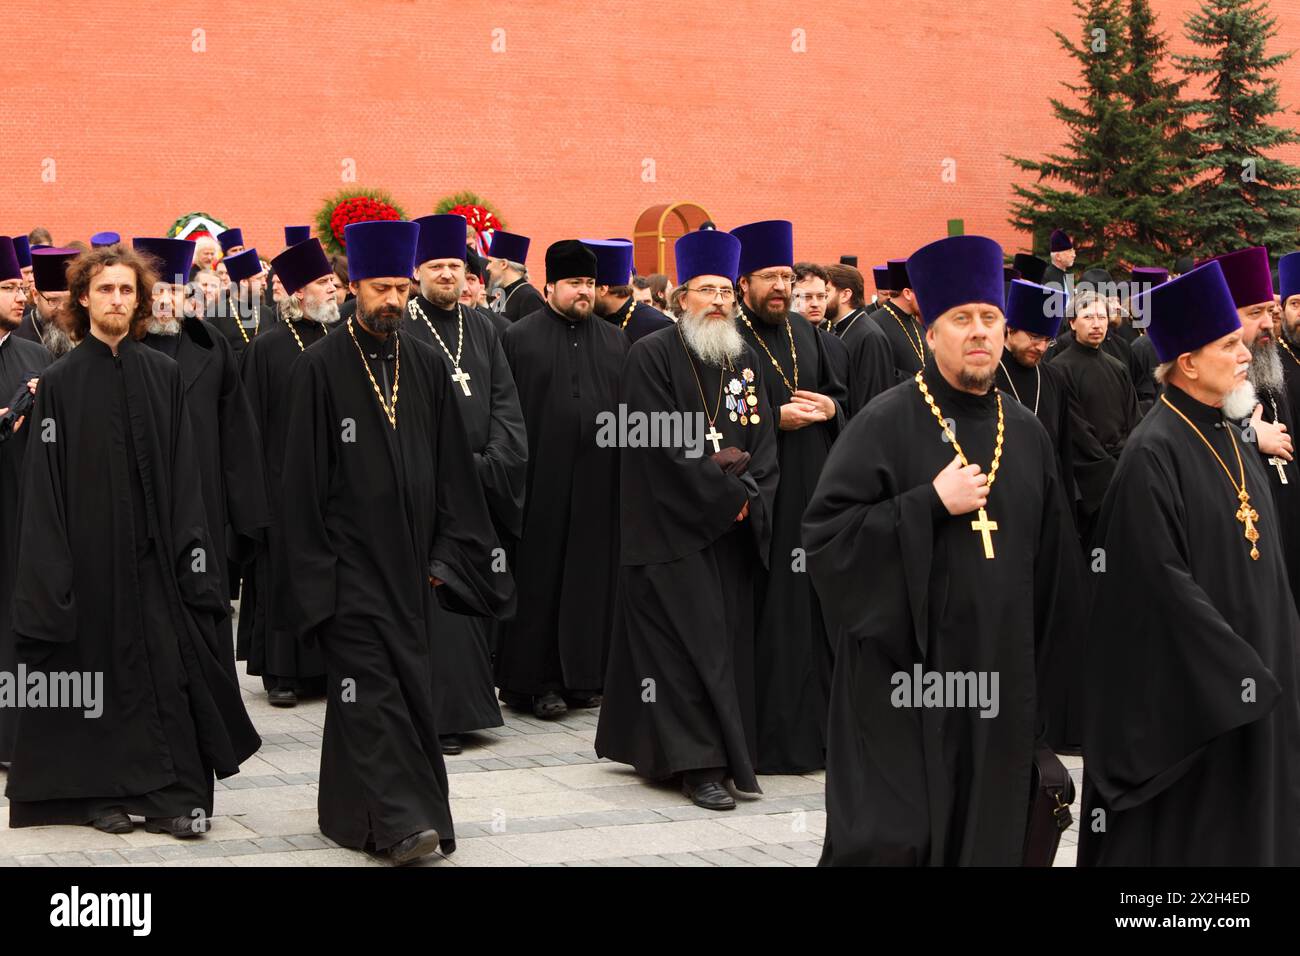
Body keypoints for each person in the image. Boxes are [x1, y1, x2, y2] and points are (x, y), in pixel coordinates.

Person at [804, 235, 1077, 865]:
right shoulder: (885, 421)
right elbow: (826, 540)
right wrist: (925, 503)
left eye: (989, 318)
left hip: (999, 682)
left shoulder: (1027, 433)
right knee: (896, 838)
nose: (978, 332)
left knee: (987, 830)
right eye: (961, 320)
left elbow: (1055, 568)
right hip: (903, 686)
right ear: (931, 333)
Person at [5, 243, 259, 839]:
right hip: (88, 562)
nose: (117, 300)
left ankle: (174, 798)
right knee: (100, 676)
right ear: (84, 300)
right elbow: (44, 490)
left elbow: (186, 473)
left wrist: (194, 555)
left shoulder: (163, 374)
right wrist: (52, 573)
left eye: (127, 291)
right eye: (106, 290)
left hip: (157, 562)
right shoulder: (60, 384)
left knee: (167, 671)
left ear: (139, 300)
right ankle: (103, 797)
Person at [278, 220, 511, 865]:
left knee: (403, 687)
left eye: (402, 290)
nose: (394, 301)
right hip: (348, 567)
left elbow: (454, 474)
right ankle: (407, 824)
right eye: (382, 288)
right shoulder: (318, 368)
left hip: (413, 565)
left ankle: (352, 814)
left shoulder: (427, 360)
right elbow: (297, 486)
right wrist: (316, 578)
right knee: (371, 687)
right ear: (353, 286)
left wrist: (448, 556)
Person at [1079, 261, 1300, 865]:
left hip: (1261, 678)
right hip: (1207, 700)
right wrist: (1234, 672)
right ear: (1188, 363)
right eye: (1228, 344)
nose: (1245, 355)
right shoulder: (1152, 453)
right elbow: (1156, 588)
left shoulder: (1230, 432)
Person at [596, 229, 779, 809]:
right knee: (679, 650)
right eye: (707, 290)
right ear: (681, 298)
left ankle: (720, 750)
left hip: (730, 528)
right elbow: (654, 445)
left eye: (727, 290)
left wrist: (749, 492)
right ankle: (697, 765)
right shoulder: (650, 356)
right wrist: (724, 493)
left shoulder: (743, 357)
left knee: (722, 646)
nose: (720, 300)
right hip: (668, 530)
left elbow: (764, 439)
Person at [406, 214, 528, 753]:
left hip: (480, 484)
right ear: (417, 271)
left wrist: (495, 460)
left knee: (472, 590)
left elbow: (506, 402)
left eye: (455, 265)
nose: (448, 274)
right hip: (428, 491)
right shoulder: (403, 326)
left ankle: (473, 706)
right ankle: (439, 714)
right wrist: (447, 470)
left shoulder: (482, 327)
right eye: (437, 266)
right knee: (436, 598)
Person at [497, 240, 628, 719]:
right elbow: (505, 414)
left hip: (598, 485)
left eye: (590, 284)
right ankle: (535, 683)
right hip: (539, 484)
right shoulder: (518, 337)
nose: (584, 292)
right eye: (574, 283)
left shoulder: (616, 341)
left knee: (589, 582)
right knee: (539, 581)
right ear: (549, 285)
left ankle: (583, 677)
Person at [732, 219, 845, 773]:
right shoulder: (726, 337)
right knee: (770, 614)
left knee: (815, 614)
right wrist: (769, 421)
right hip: (760, 492)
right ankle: (767, 740)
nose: (781, 286)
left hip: (813, 488)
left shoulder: (807, 332)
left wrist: (831, 409)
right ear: (743, 283)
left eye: (786, 275)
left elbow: (839, 396)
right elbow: (713, 419)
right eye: (769, 277)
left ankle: (817, 735)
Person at [134, 237, 270, 657]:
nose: (166, 300)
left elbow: (237, 433)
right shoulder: (123, 349)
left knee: (201, 603)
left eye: (175, 290)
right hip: (138, 501)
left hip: (203, 502)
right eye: (157, 291)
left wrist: (247, 517)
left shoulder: (210, 345)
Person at [237, 238, 339, 706]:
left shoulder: (341, 343)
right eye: (323, 282)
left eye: (333, 280)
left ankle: (323, 667)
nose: (335, 287)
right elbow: (250, 424)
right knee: (279, 576)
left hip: (333, 485)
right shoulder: (267, 348)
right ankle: (282, 673)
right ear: (299, 292)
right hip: (279, 486)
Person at [1203, 247, 1298, 611]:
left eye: (1270, 313)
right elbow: (1198, 444)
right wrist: (1250, 436)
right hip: (1243, 550)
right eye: (1255, 313)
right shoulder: (1212, 385)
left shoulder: (1269, 369)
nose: (1268, 324)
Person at [0, 236, 51, 768]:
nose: (22, 297)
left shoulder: (35, 355)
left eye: (22, 286)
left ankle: (14, 736)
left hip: (21, 507)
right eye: (10, 287)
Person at [1049, 289, 1141, 544]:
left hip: (1123, 467)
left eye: (1101, 317)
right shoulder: (1059, 369)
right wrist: (1112, 471)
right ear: (1072, 323)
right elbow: (1078, 433)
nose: (1097, 324)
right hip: (1090, 478)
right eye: (1088, 317)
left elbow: (1134, 421)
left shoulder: (1118, 366)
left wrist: (1129, 464)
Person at [824, 262, 894, 415]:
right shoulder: (834, 328)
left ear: (845, 295)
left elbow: (872, 400)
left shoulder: (870, 336)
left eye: (826, 292)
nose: (821, 299)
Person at [587, 239, 673, 343]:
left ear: (602, 289)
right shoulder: (591, 320)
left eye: (589, 285)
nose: (585, 293)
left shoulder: (659, 325)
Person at [873, 259, 928, 380]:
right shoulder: (875, 325)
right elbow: (882, 373)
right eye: (923, 293)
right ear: (907, 293)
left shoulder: (916, 323)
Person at [211, 247, 271, 355]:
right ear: (243, 282)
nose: (263, 283)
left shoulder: (267, 313)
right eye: (258, 279)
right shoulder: (216, 315)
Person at [20, 246, 79, 357]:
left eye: (68, 300)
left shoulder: (87, 330)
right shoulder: (17, 335)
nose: (62, 308)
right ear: (36, 295)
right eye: (54, 300)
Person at [485, 230, 545, 323]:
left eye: (490, 262)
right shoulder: (502, 293)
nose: (487, 267)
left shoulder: (530, 297)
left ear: (503, 264)